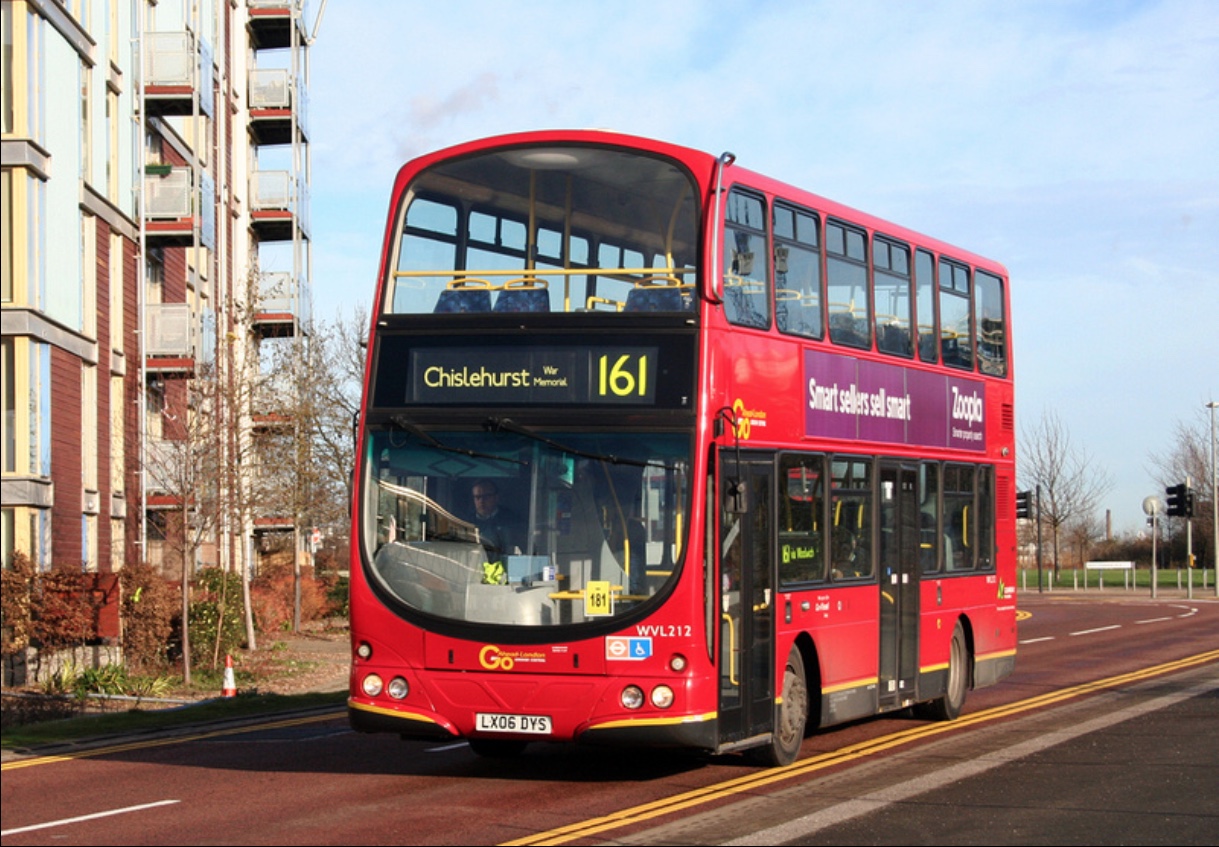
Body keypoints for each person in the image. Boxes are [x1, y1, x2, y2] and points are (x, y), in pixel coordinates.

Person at [470, 479, 524, 555]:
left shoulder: (511, 519)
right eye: (478, 497)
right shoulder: (466, 521)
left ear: (496, 497)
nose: (482, 501)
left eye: (486, 496)